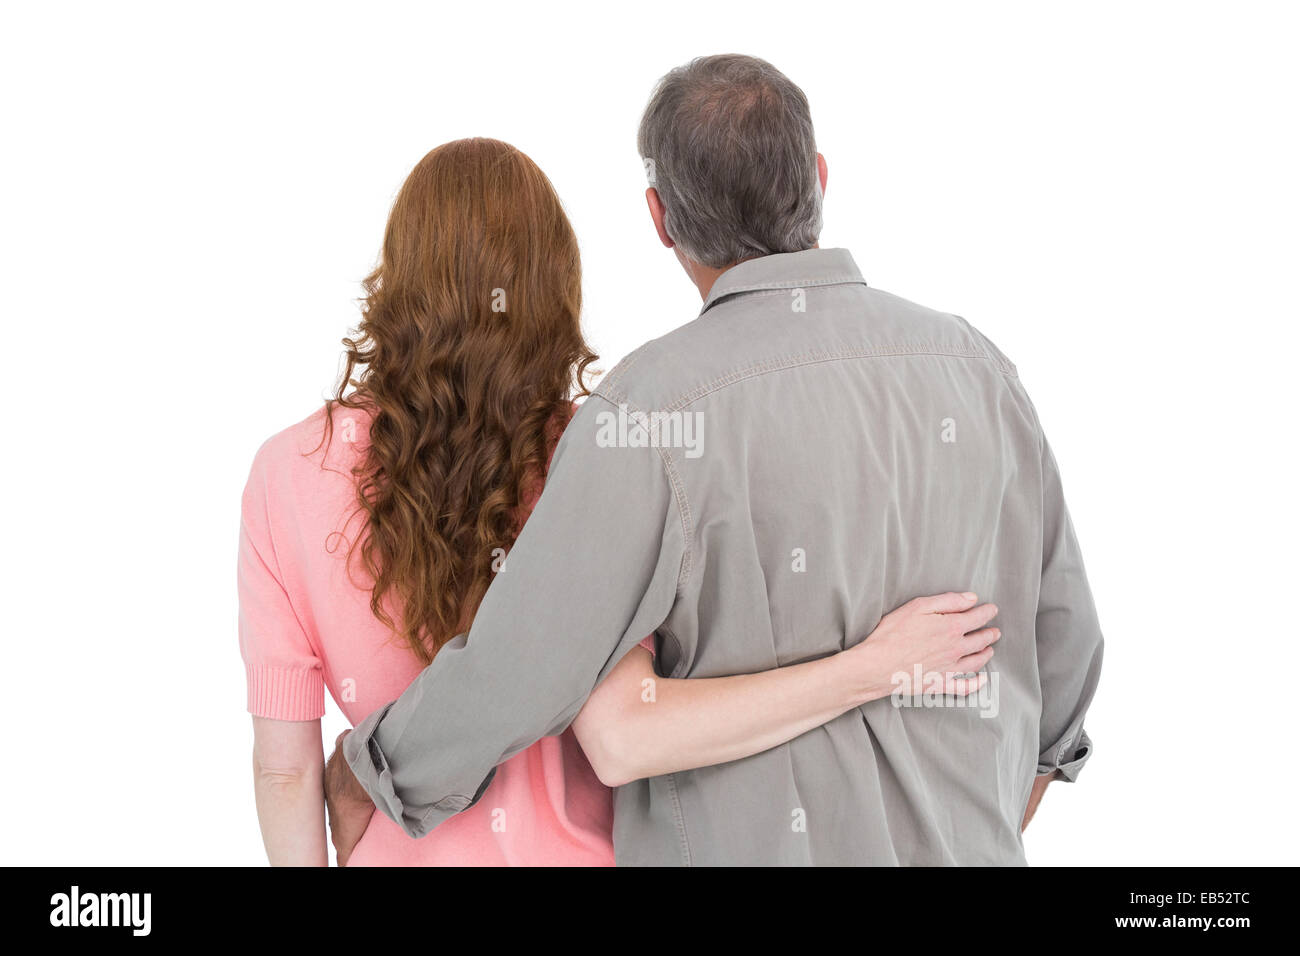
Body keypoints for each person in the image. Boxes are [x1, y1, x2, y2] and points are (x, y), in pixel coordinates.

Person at [324, 54, 1104, 867]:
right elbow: (1065, 649)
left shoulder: (648, 412)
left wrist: (372, 773)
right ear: (820, 178)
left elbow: (519, 668)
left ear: (659, 218)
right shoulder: (977, 369)